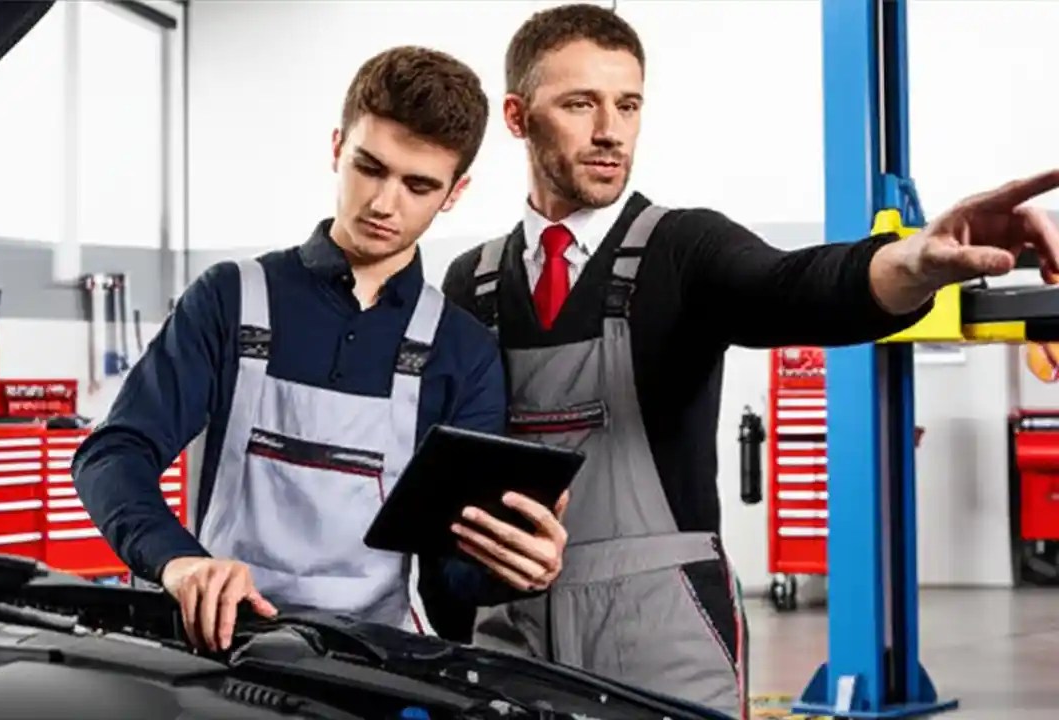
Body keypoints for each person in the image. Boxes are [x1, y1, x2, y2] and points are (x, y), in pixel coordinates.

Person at [439, 4, 1059, 718]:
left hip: (662, 639)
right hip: (511, 640)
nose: (610, 130)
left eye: (629, 104)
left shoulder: (683, 251)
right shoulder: (472, 283)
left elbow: (795, 287)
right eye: (580, 104)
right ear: (517, 117)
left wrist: (915, 261)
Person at [72, 45, 571, 654]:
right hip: (221, 651)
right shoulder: (230, 300)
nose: (385, 203)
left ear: (454, 192)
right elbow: (113, 454)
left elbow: (450, 570)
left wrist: (511, 566)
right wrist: (179, 563)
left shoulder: (460, 351)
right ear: (338, 148)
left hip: (370, 669)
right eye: (370, 167)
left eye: (418, 185)